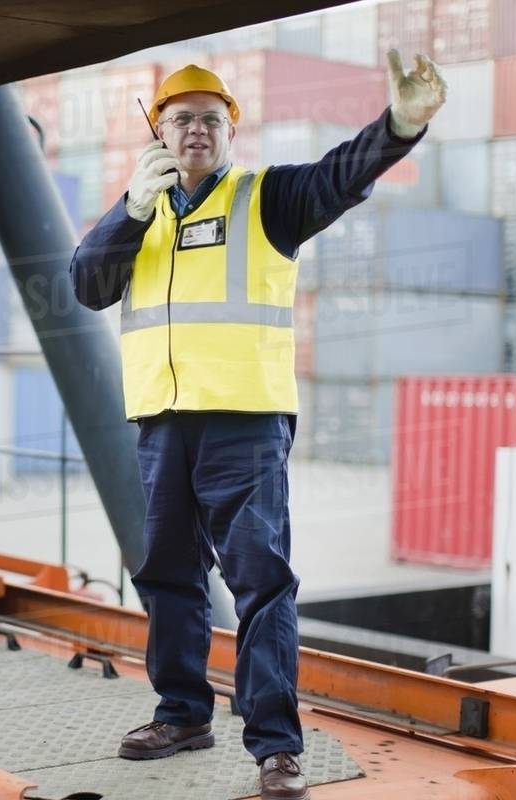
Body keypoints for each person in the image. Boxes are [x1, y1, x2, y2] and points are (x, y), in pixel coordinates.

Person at [69, 52, 446, 799]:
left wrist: (401, 123)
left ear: (231, 131)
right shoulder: (137, 216)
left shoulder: (265, 199)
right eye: (182, 119)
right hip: (163, 425)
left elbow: (341, 175)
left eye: (212, 118)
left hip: (245, 422)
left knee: (262, 584)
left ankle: (276, 746)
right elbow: (86, 285)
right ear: (159, 133)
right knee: (168, 576)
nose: (197, 130)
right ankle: (182, 714)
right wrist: (128, 210)